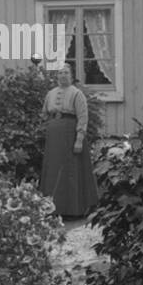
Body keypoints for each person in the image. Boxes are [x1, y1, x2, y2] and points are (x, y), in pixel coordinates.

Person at [38, 62, 98, 218]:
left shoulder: (77, 94)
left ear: (71, 76)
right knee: (53, 169)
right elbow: (44, 113)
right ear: (56, 76)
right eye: (60, 73)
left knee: (70, 170)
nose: (62, 75)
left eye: (66, 72)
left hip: (70, 134)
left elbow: (83, 117)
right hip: (53, 137)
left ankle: (73, 210)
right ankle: (52, 209)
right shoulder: (50, 94)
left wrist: (79, 139)